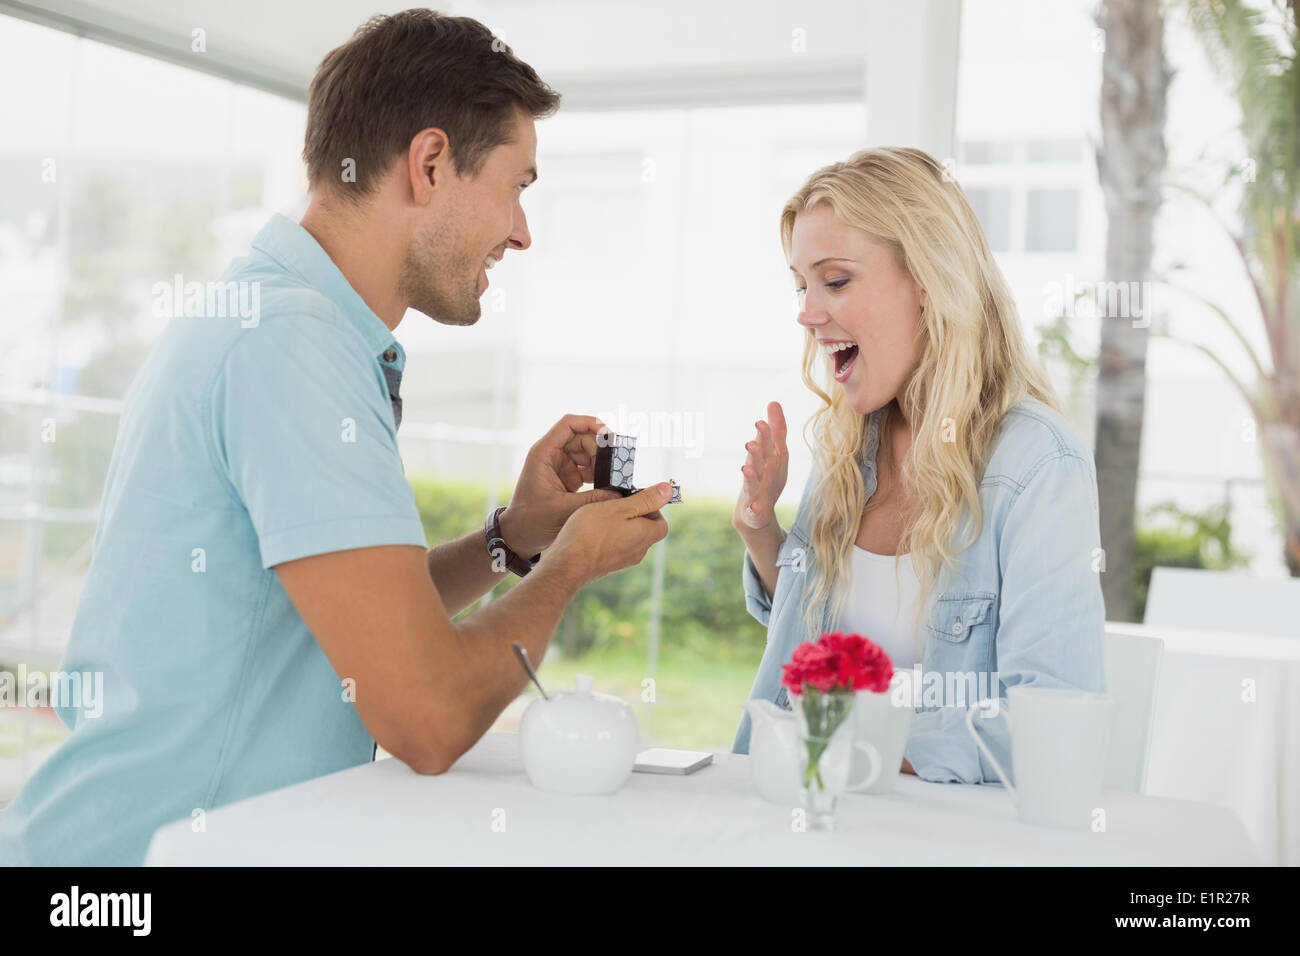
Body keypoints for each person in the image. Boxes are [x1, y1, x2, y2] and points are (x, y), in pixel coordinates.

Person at [0, 10, 670, 866]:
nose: (521, 232)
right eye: (518, 188)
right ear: (430, 164)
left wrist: (515, 541)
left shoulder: (280, 321)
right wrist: (572, 564)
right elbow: (426, 715)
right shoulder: (294, 347)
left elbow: (350, 613)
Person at [731, 147, 1106, 784]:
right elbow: (812, 634)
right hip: (809, 812)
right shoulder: (848, 445)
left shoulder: (1040, 465)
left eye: (836, 280)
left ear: (930, 287)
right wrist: (760, 530)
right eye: (801, 285)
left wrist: (866, 761)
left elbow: (1052, 718)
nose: (806, 310)